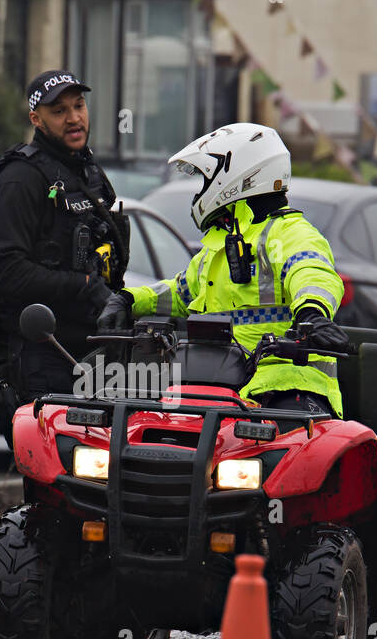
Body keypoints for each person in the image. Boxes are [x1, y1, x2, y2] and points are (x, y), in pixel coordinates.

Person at [98, 122, 350, 418]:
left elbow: (312, 273)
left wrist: (312, 314)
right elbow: (180, 293)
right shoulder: (218, 245)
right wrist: (127, 299)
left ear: (238, 175)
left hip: (288, 386)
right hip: (216, 385)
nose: (200, 191)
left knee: (286, 449)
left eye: (206, 179)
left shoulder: (291, 233)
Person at [0, 69, 129, 435]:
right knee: (50, 481)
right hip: (39, 355)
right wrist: (82, 285)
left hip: (93, 353)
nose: (74, 117)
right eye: (59, 111)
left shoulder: (88, 172)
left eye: (78, 105)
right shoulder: (19, 178)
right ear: (37, 119)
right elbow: (7, 274)